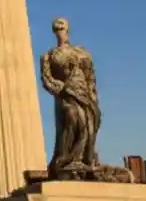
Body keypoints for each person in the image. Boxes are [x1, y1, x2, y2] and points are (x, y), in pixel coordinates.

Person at [41, 18, 102, 177]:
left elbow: (90, 76)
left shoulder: (81, 52)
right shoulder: (48, 56)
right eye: (56, 28)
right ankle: (66, 160)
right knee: (72, 118)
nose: (59, 31)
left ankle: (84, 160)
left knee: (88, 126)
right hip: (66, 96)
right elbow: (46, 79)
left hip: (84, 95)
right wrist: (61, 87)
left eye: (62, 27)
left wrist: (93, 96)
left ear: (67, 29)